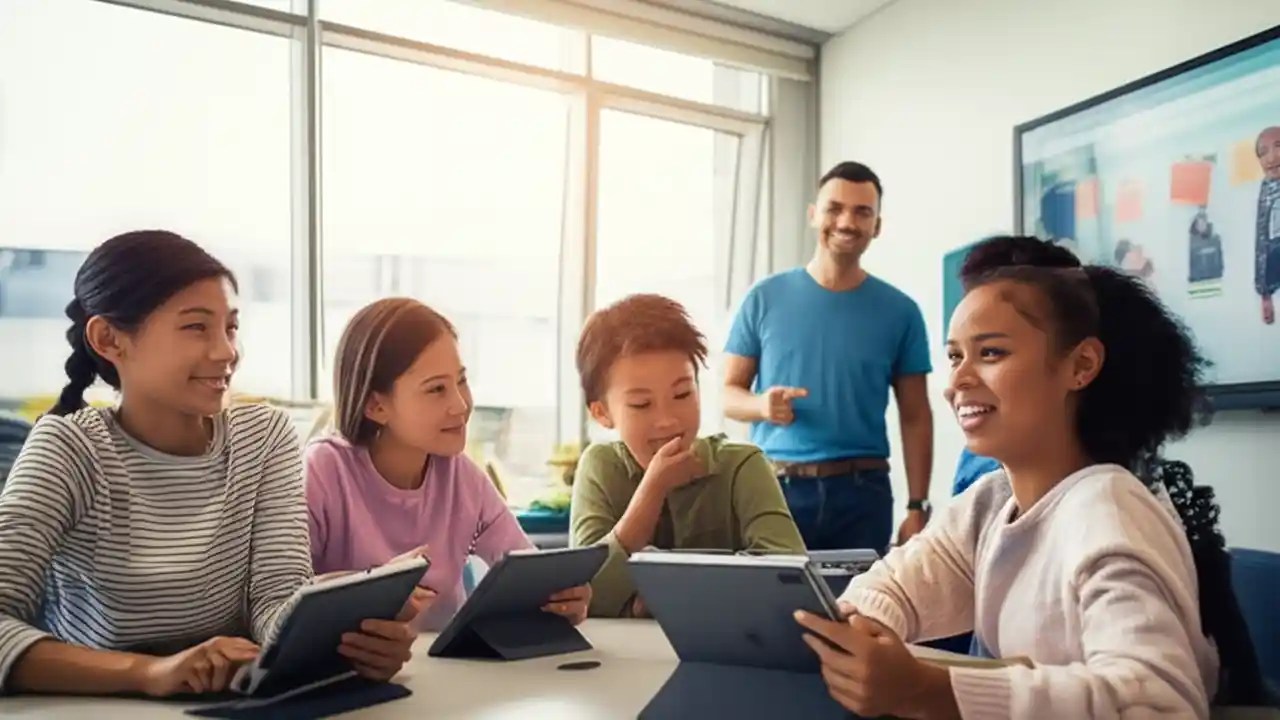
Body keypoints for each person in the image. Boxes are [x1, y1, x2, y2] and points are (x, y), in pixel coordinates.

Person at [793, 235, 1268, 718]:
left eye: (992, 353)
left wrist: (929, 691)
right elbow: (891, 585)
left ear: (1081, 366)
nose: (956, 383)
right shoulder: (992, 501)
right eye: (955, 356)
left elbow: (1159, 704)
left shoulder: (1110, 511)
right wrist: (861, 626)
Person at [0, 231, 418, 696]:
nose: (226, 352)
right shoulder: (69, 449)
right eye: (197, 327)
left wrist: (348, 631)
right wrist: (150, 674)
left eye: (231, 327)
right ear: (109, 339)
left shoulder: (264, 437)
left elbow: (274, 604)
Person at [306, 297, 590, 632]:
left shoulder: (463, 477)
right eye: (436, 389)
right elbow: (279, 598)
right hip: (348, 671)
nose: (460, 404)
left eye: (461, 381)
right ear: (375, 405)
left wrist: (561, 594)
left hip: (445, 672)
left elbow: (526, 570)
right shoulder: (323, 472)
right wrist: (376, 588)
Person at [723, 161, 933, 552]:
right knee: (769, 610)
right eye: (834, 208)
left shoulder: (901, 312)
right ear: (813, 215)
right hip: (774, 492)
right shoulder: (764, 298)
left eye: (862, 212)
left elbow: (916, 414)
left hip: (863, 494)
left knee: (859, 610)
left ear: (877, 226)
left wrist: (917, 505)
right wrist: (761, 405)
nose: (846, 221)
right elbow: (727, 394)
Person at [569, 294, 806, 618]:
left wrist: (660, 599)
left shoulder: (742, 466)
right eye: (641, 404)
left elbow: (789, 579)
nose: (668, 419)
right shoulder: (599, 466)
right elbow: (583, 598)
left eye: (682, 394)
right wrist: (652, 491)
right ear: (602, 413)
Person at [1255, 126, 1280, 325]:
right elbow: (1262, 241)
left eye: (1278, 146)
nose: (1271, 158)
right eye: (1263, 153)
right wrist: (1265, 295)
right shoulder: (1267, 189)